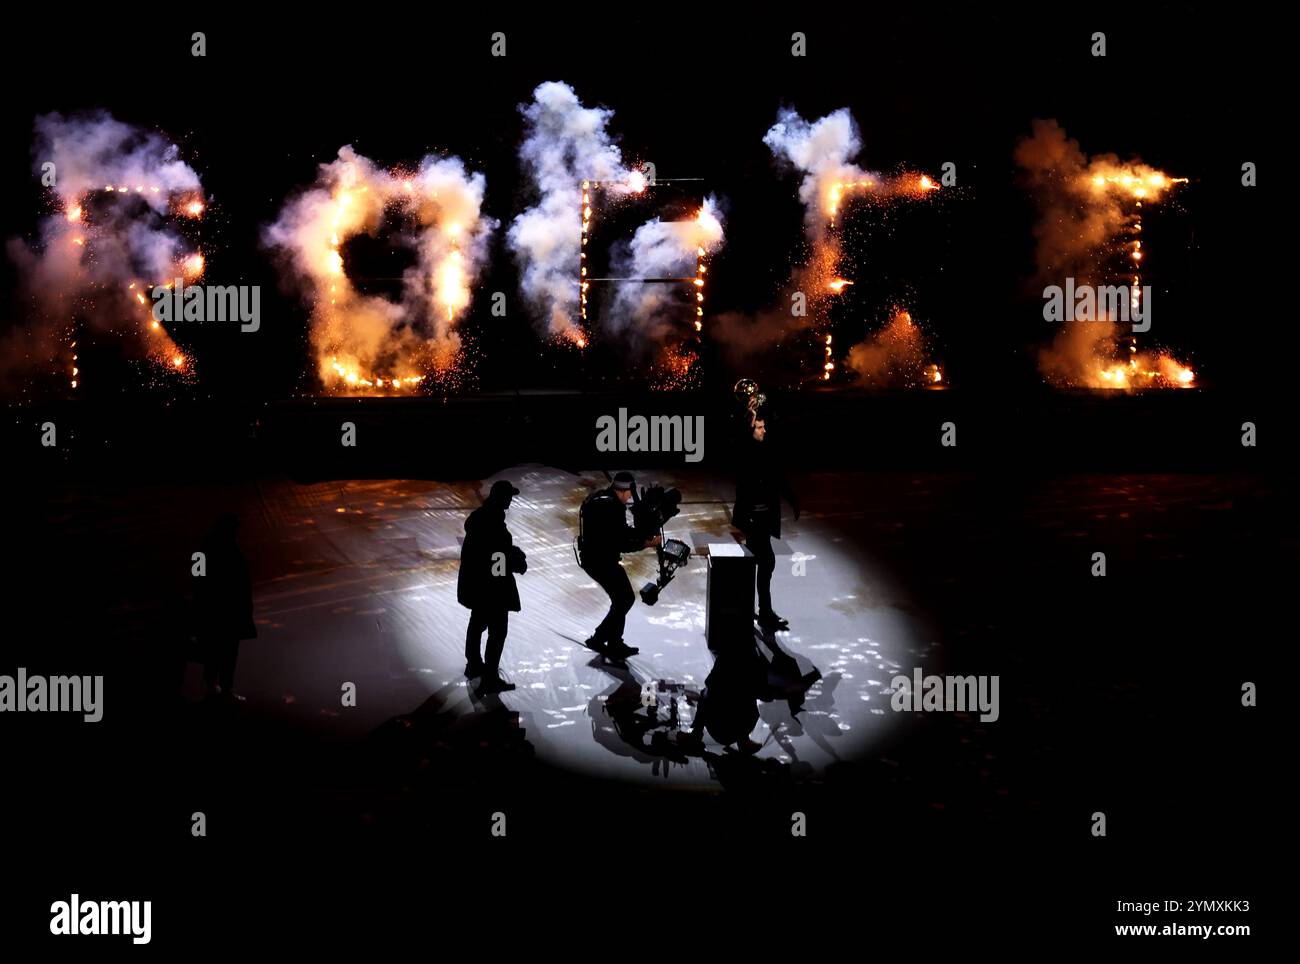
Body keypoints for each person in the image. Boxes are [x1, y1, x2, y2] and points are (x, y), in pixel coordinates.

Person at [577, 471, 660, 659]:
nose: (630, 497)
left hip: (592, 557)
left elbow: (615, 531)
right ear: (624, 491)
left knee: (621, 598)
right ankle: (606, 640)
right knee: (624, 598)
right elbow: (620, 541)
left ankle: (606, 639)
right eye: (630, 493)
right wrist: (647, 543)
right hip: (601, 560)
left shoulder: (598, 497)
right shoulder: (613, 507)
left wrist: (637, 534)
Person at [733, 407, 799, 630]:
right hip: (753, 520)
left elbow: (778, 478)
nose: (764, 431)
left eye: (764, 427)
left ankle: (753, 609)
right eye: (759, 428)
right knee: (765, 561)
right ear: (750, 429)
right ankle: (763, 612)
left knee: (759, 563)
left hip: (762, 519)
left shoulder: (765, 451)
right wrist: (748, 417)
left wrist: (792, 499)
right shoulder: (746, 451)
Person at [457, 480, 526, 693]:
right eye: (508, 497)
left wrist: (510, 553)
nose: (510, 501)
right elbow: (496, 557)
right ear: (501, 498)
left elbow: (490, 551)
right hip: (492, 587)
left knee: (477, 623)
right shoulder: (493, 522)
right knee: (498, 631)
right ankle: (490, 677)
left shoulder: (481, 518)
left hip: (477, 584)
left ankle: (474, 664)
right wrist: (516, 561)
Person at [193, 513, 256, 702]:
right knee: (227, 651)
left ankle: (214, 687)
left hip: (216, 609)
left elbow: (198, 581)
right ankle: (222, 689)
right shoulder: (228, 550)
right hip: (227, 609)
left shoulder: (205, 550)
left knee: (215, 650)